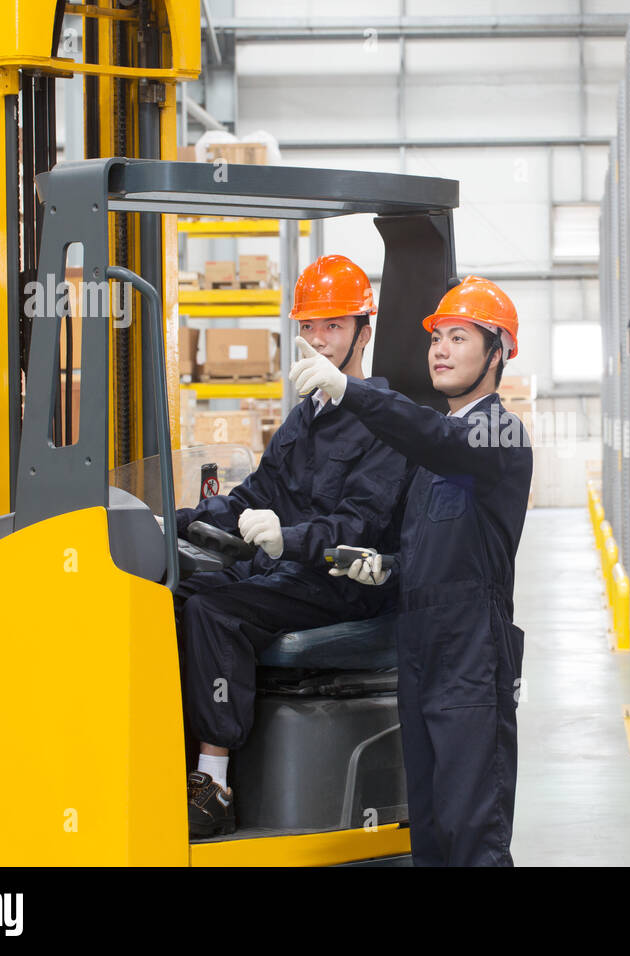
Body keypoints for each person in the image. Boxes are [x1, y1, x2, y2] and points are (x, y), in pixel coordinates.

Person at [291, 275, 532, 866]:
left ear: (496, 352)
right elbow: (435, 554)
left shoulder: (498, 433)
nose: (441, 350)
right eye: (436, 339)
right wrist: (385, 569)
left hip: (473, 657)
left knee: (473, 829)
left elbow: (436, 439)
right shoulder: (433, 455)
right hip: (421, 656)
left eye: (458, 337)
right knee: (427, 830)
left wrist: (350, 391)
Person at [176, 254, 411, 838]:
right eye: (307, 326)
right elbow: (253, 493)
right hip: (287, 576)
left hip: (344, 585)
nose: (316, 339)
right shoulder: (303, 420)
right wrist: (172, 521)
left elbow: (359, 525)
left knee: (215, 611)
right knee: (178, 592)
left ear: (364, 330)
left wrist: (290, 539)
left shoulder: (388, 424)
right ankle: (174, 761)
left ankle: (213, 785)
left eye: (331, 325)